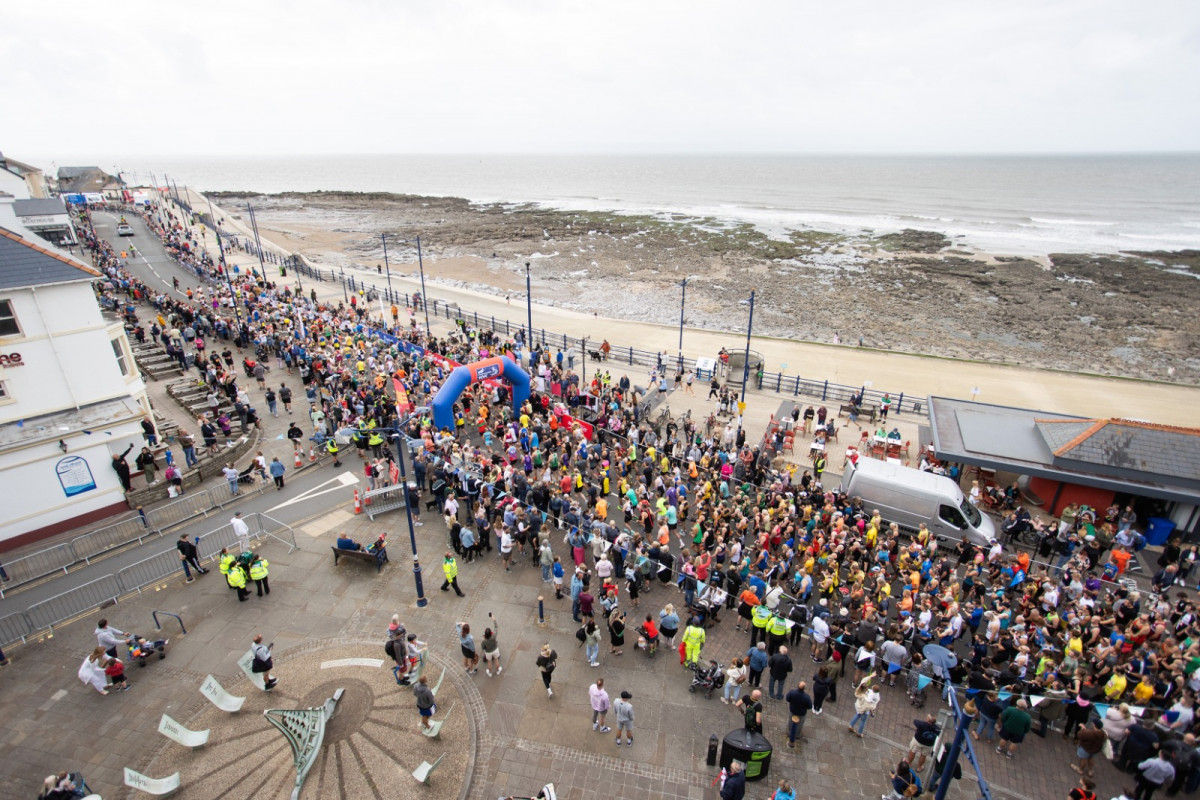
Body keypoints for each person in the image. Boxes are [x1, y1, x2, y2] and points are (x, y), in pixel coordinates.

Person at [784, 680, 812, 747]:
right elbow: (810, 706)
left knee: (791, 722)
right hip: (801, 713)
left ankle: (789, 733)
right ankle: (797, 735)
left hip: (793, 710)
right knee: (800, 724)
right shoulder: (806, 697)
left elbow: (787, 698)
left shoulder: (792, 693)